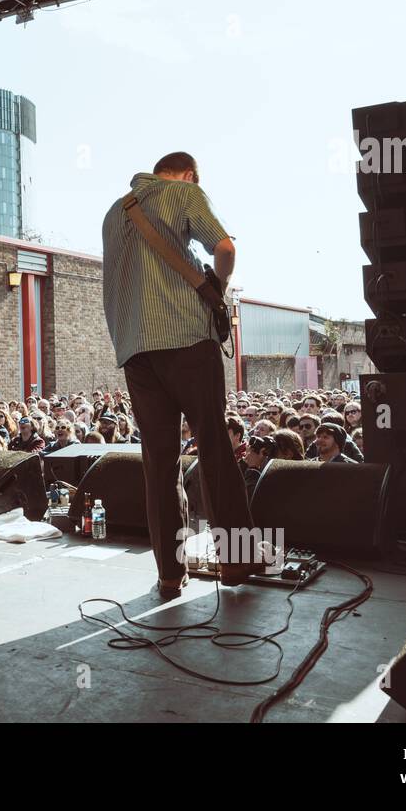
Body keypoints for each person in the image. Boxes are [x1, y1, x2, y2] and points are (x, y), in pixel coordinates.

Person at [101, 151, 265, 599]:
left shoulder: (115, 212)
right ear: (189, 174)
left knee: (159, 462)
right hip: (186, 339)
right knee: (214, 445)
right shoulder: (185, 193)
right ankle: (235, 563)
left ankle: (169, 575)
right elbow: (225, 249)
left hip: (135, 349)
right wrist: (221, 284)